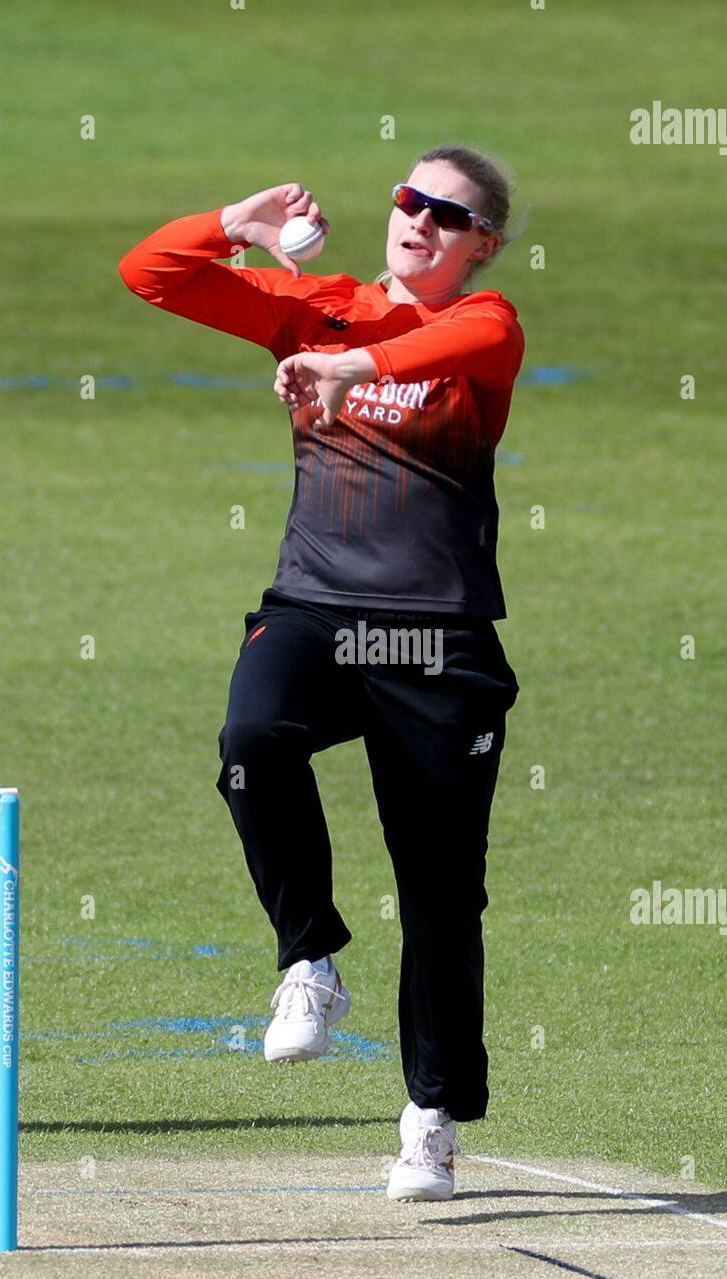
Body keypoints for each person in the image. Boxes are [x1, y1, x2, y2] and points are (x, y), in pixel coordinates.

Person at [119, 144, 526, 1201]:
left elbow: (469, 333)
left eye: (448, 213)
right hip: (315, 610)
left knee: (440, 892)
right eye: (407, 200)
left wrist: (349, 368)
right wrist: (235, 218)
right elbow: (149, 273)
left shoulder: (485, 327)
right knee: (252, 738)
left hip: (437, 638)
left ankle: (429, 1116)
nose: (418, 220)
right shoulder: (315, 303)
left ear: (481, 242)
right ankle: (309, 959)